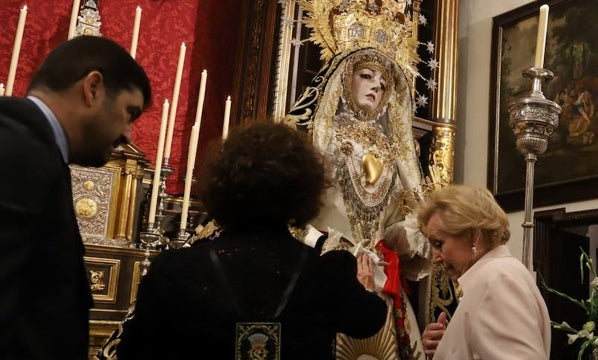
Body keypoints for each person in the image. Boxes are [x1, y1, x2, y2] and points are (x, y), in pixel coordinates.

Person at [116, 120, 387, 359]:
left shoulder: (175, 270)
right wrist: (366, 290)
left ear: (222, 185)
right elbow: (368, 320)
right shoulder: (325, 272)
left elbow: (134, 351)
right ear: (304, 190)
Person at [0, 36, 150, 359]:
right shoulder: (18, 149)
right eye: (129, 113)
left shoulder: (35, 148)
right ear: (93, 88)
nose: (128, 135)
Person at [290, 46, 432, 360]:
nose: (375, 87)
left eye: (382, 85)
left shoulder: (392, 152)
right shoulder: (316, 138)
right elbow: (289, 212)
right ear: (344, 79)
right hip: (323, 273)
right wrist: (325, 245)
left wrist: (408, 234)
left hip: (381, 284)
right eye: (366, 76)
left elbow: (396, 215)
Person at [418, 185, 550, 360]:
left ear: (473, 235)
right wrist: (450, 347)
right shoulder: (494, 276)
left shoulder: (497, 279)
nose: (435, 258)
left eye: (438, 244)